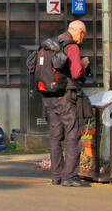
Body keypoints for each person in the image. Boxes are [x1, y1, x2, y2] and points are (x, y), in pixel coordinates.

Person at [29, 20, 90, 188]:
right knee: (72, 134)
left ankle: (56, 175)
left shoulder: (50, 44)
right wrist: (84, 65)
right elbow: (76, 73)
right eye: (83, 35)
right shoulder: (72, 47)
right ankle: (69, 176)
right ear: (80, 32)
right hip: (66, 96)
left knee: (55, 136)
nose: (82, 39)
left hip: (48, 96)